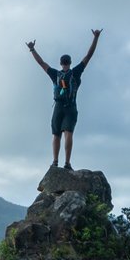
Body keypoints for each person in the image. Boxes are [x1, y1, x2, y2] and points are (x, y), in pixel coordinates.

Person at [27, 29, 102, 168]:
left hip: (58, 107)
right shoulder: (76, 72)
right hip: (71, 106)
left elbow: (41, 63)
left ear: (61, 63)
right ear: (70, 62)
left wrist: (32, 49)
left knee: (56, 135)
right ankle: (67, 163)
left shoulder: (55, 74)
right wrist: (96, 38)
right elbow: (89, 56)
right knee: (68, 133)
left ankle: (55, 162)